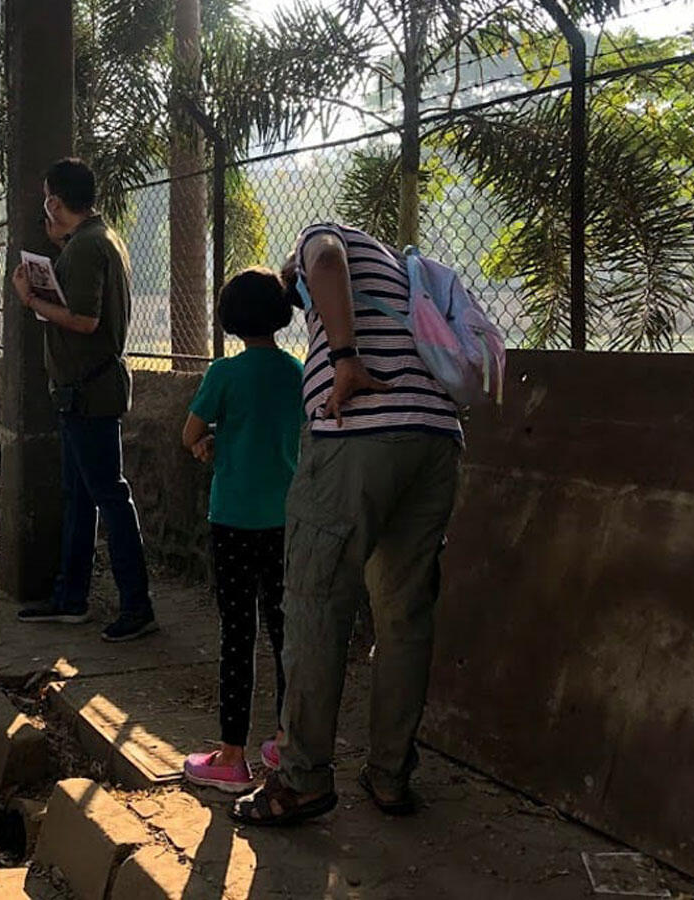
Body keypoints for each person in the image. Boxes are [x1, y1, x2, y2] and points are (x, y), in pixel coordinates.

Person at [231, 222, 463, 827]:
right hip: (436, 439)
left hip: (358, 435)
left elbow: (327, 262)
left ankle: (302, 778)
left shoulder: (323, 238)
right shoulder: (403, 265)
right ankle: (390, 776)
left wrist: (344, 358)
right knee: (405, 613)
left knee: (315, 599)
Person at [10, 157, 156, 642]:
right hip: (83, 389)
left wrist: (32, 301)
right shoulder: (92, 240)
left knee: (109, 496)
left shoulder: (89, 248)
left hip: (91, 389)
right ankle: (70, 596)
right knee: (82, 497)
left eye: (47, 197)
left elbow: (86, 320)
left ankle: (136, 603)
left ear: (55, 199)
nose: (44, 206)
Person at [177, 269, 303, 792]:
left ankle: (231, 755)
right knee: (285, 632)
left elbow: (190, 433)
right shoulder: (297, 371)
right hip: (285, 519)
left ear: (229, 318)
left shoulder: (223, 374)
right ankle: (285, 741)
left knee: (238, 633)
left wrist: (209, 442)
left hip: (231, 519)